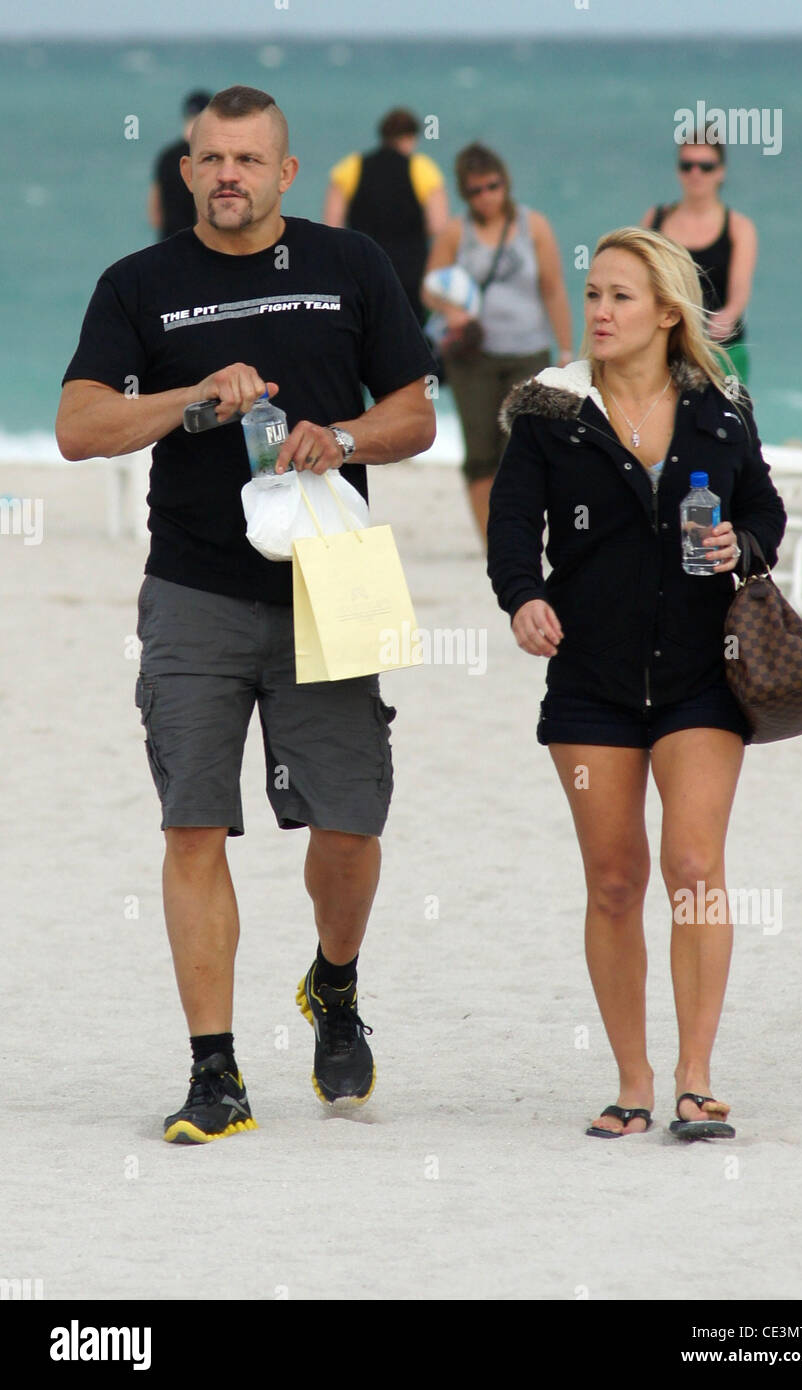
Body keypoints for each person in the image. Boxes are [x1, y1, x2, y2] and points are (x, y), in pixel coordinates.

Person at [56, 85, 436, 1144]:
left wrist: (342, 439)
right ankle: (214, 1074)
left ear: (285, 173)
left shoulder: (348, 264)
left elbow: (413, 411)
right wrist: (188, 404)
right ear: (185, 172)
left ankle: (335, 982)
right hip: (193, 590)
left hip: (333, 576)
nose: (228, 175)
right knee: (191, 822)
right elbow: (79, 426)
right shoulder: (140, 284)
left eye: (248, 160)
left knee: (351, 824)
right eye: (209, 159)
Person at [487, 226, 785, 1141]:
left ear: (665, 311)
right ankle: (632, 1079)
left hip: (703, 677)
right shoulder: (548, 411)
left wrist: (747, 543)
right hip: (590, 679)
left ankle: (697, 1078)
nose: (601, 311)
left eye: (621, 296)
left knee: (693, 868)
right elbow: (511, 531)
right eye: (594, 296)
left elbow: (763, 507)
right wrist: (524, 598)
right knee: (615, 879)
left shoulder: (721, 406)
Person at [423, 143, 572, 545]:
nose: (486, 197)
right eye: (476, 191)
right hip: (474, 358)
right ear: (464, 194)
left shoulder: (533, 226)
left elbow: (554, 289)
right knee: (481, 454)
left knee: (525, 451)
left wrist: (567, 351)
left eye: (493, 186)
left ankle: (522, 535)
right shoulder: (458, 232)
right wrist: (451, 311)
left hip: (529, 353)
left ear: (505, 184)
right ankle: (494, 543)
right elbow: (430, 288)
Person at [640, 131, 757, 384]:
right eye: (687, 166)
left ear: (720, 172)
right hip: (666, 346)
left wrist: (729, 314)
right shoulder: (655, 219)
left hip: (721, 350)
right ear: (678, 171)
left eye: (705, 166)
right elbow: (639, 280)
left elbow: (739, 289)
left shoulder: (738, 227)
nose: (695, 173)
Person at [323, 108, 449, 325]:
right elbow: (439, 225)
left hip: (362, 270)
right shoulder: (422, 168)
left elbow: (332, 225)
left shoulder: (351, 167)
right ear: (411, 137)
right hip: (410, 273)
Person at [148, 90, 212, 239]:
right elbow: (203, 212)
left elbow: (155, 216)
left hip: (167, 244)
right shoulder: (207, 157)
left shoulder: (166, 156)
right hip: (196, 247)